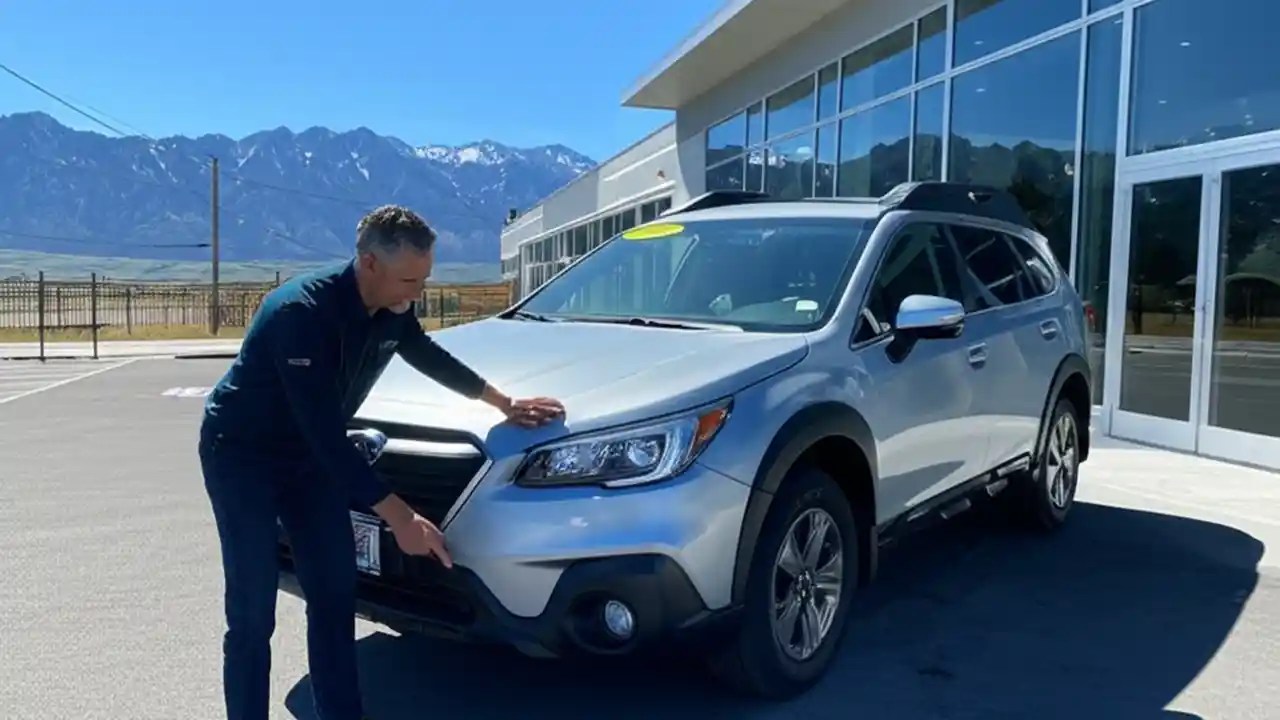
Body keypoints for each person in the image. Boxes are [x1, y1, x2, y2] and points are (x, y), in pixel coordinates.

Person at [197, 204, 564, 720]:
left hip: (310, 461)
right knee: (253, 613)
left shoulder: (393, 307)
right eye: (409, 280)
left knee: (333, 595)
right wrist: (400, 516)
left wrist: (503, 403)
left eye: (424, 279)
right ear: (369, 264)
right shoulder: (299, 314)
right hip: (243, 456)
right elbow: (324, 434)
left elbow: (428, 356)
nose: (416, 293)